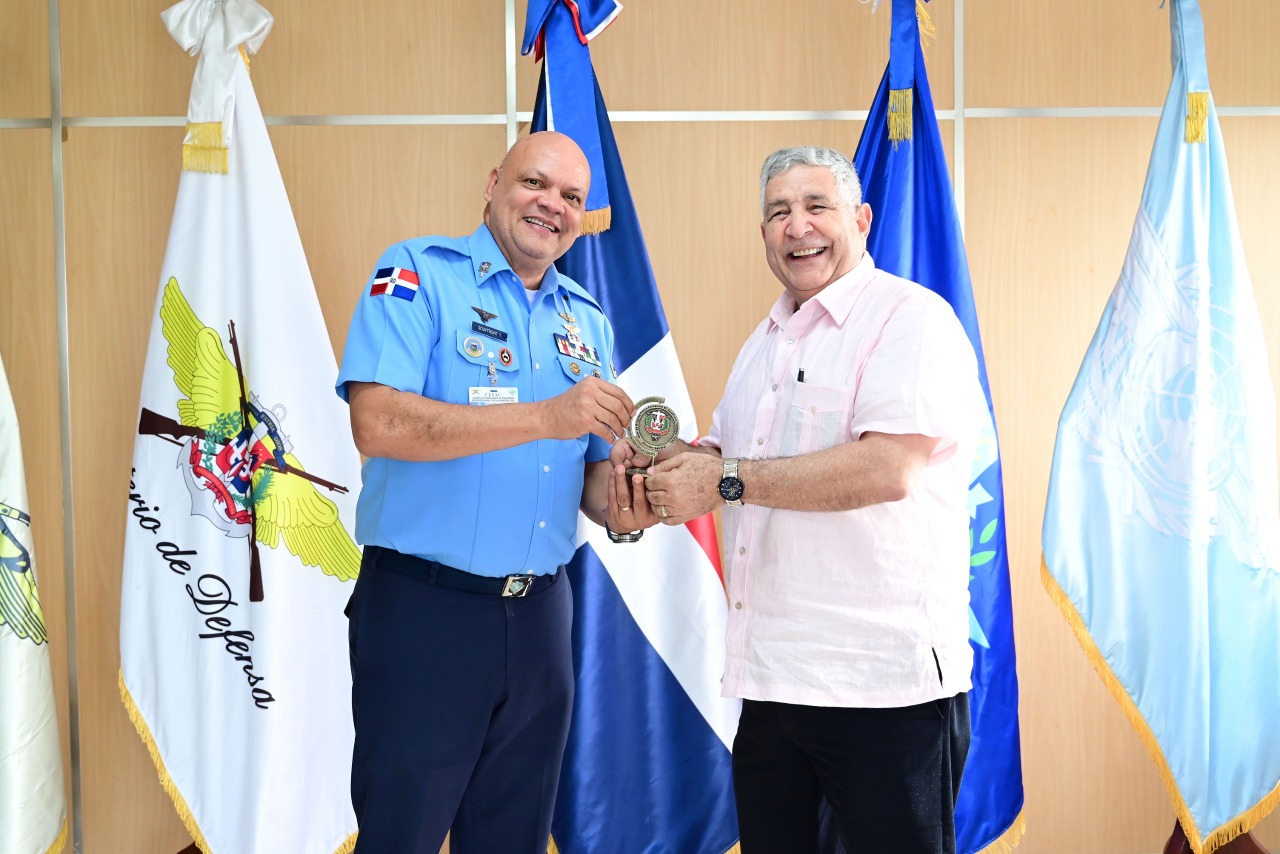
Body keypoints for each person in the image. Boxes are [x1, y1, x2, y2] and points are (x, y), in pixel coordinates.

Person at [615, 146, 983, 853]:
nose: (797, 225)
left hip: (883, 688)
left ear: (861, 219)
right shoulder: (765, 342)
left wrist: (724, 479)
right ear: (763, 234)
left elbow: (888, 469)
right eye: (779, 212)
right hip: (772, 682)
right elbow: (726, 456)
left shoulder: (910, 320)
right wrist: (664, 465)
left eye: (817, 206)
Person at [335, 130, 645, 854]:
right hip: (426, 614)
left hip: (541, 619)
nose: (552, 205)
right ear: (493, 184)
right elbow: (377, 423)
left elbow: (593, 481)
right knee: (401, 837)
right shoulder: (417, 275)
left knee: (514, 838)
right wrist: (545, 416)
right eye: (535, 183)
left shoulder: (586, 320)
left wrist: (645, 495)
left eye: (571, 196)